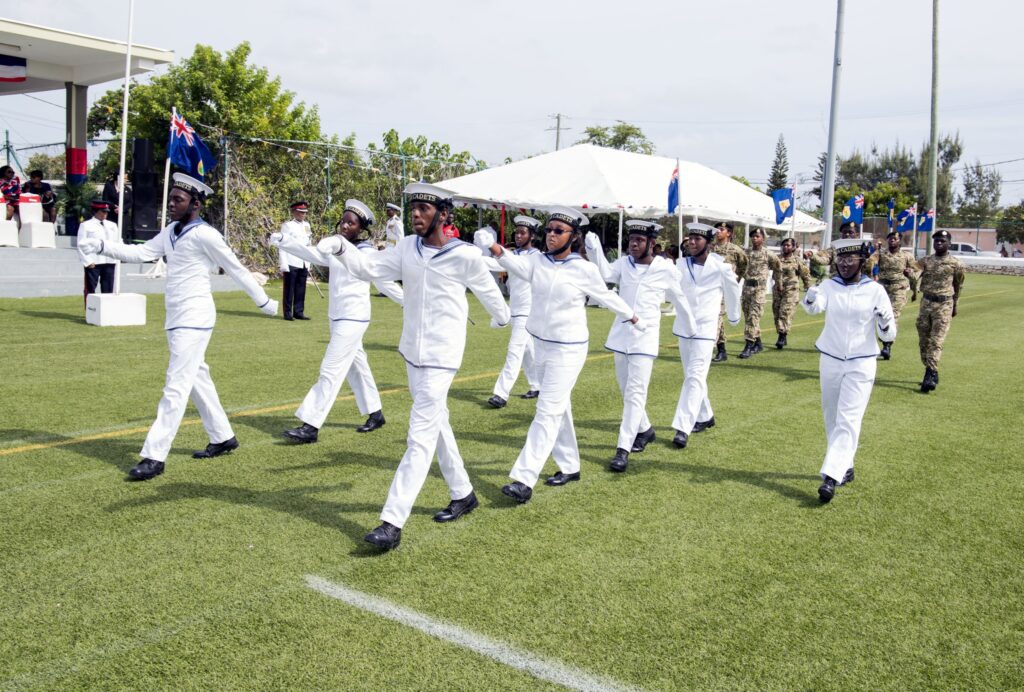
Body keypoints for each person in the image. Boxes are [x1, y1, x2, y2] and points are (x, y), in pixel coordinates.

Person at [317, 183, 510, 551]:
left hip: (443, 358)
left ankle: (391, 522)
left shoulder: (465, 256)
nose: (416, 215)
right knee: (437, 424)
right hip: (412, 353)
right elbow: (367, 268)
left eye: (424, 208)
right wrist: (341, 247)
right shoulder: (406, 247)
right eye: (413, 209)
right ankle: (464, 493)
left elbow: (490, 293)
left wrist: (501, 319)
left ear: (444, 215)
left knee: (419, 437)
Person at [76, 173, 278, 481]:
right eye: (170, 199)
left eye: (177, 200)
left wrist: (265, 302)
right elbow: (142, 253)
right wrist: (104, 245)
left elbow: (235, 268)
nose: (170, 204)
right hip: (176, 318)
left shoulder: (205, 234)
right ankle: (223, 436)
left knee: (175, 388)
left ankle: (154, 455)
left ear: (195, 204)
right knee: (197, 378)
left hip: (195, 318)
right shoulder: (171, 230)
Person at [476, 207, 641, 503]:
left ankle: (524, 479)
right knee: (558, 408)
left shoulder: (584, 269)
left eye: (558, 231)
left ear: (572, 236)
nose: (551, 236)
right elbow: (514, 264)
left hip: (568, 349)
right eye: (549, 230)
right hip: (541, 344)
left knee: (547, 411)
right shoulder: (538, 261)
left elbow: (606, 296)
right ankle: (570, 466)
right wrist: (492, 245)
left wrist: (632, 317)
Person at [271, 199, 403, 443]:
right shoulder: (338, 246)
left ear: (360, 228)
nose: (344, 226)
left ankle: (310, 425)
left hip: (353, 318)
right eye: (343, 221)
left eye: (350, 223)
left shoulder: (364, 252)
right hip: (337, 316)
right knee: (357, 367)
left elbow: (382, 280)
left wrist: (407, 300)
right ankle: (375, 413)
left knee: (330, 370)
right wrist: (284, 241)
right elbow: (314, 254)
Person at [585, 220, 695, 472]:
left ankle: (623, 448)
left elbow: (679, 298)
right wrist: (594, 250)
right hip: (621, 336)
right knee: (626, 391)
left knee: (635, 393)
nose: (633, 244)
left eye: (639, 241)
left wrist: (690, 329)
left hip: (645, 338)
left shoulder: (664, 269)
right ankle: (645, 430)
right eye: (631, 240)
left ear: (652, 244)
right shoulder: (624, 264)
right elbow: (604, 275)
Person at [801, 239, 895, 503]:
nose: (843, 263)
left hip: (861, 362)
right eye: (840, 259)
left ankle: (831, 476)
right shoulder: (830, 286)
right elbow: (813, 308)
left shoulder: (875, 291)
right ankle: (845, 465)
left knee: (848, 418)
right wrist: (811, 294)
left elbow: (889, 334)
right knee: (831, 416)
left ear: (862, 261)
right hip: (830, 359)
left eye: (850, 259)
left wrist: (885, 322)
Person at [670, 223, 741, 449]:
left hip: (705, 329)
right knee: (692, 376)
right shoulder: (680, 264)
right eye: (690, 238)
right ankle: (705, 415)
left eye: (697, 239)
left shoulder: (720, 267)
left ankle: (683, 426)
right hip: (684, 327)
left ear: (708, 243)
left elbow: (732, 291)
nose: (691, 242)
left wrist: (733, 316)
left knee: (694, 376)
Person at [482, 215, 542, 408]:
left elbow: (510, 264)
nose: (518, 235)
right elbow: (498, 263)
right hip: (515, 310)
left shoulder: (536, 257)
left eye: (522, 232)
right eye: (516, 232)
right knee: (527, 351)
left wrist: (497, 250)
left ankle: (501, 393)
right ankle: (536, 385)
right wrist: (472, 257)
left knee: (514, 351)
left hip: (528, 311)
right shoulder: (513, 254)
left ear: (531, 235)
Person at [915, 230, 965, 393]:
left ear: (949, 243)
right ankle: (933, 370)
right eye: (936, 240)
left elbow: (958, 285)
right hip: (926, 303)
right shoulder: (926, 260)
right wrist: (910, 274)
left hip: (944, 305)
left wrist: (955, 305)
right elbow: (915, 272)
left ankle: (929, 375)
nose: (939, 243)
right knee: (924, 342)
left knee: (936, 341)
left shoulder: (956, 263)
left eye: (942, 241)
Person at [868, 230, 919, 360]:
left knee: (893, 316)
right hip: (883, 288)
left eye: (895, 239)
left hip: (899, 289)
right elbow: (870, 263)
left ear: (899, 241)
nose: (892, 240)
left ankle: (887, 345)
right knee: (880, 315)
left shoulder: (907, 256)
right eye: (890, 238)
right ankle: (882, 342)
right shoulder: (880, 254)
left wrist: (914, 290)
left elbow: (915, 273)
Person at [738, 228, 780, 358]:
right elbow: (740, 268)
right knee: (748, 317)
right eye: (753, 236)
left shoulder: (769, 254)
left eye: (757, 236)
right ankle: (758, 343)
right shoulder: (746, 253)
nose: (754, 238)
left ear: (763, 238)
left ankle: (748, 345)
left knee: (753, 317)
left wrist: (779, 283)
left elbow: (778, 268)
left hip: (759, 290)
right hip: (746, 289)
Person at [710, 221, 747, 362]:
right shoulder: (710, 249)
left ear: (729, 233)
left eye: (721, 229)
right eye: (717, 229)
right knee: (717, 317)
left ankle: (710, 347)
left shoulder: (735, 250)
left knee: (717, 316)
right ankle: (722, 350)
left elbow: (744, 265)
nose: (718, 231)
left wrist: (735, 282)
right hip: (712, 288)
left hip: (725, 290)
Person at [771, 237, 811, 349]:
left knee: (785, 312)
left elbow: (805, 275)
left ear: (793, 247)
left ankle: (781, 336)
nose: (785, 247)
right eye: (784, 245)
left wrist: (808, 288)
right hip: (778, 290)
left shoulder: (797, 260)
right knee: (777, 312)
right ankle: (783, 334)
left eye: (788, 245)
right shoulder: (777, 259)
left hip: (791, 290)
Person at [76, 201, 121, 301]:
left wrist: (119, 257)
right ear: (96, 212)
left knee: (108, 290)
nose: (105, 214)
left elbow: (118, 242)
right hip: (94, 261)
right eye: (103, 212)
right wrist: (87, 262)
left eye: (106, 212)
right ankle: (90, 312)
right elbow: (80, 245)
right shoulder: (86, 225)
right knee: (90, 289)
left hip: (109, 261)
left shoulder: (112, 225)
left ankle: (106, 312)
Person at [278, 201, 312, 321]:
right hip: (291, 260)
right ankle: (287, 313)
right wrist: (283, 263)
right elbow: (282, 245)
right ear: (294, 212)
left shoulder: (307, 225)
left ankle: (299, 311)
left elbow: (308, 244)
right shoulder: (288, 226)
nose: (303, 214)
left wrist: (310, 260)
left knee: (301, 288)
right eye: (301, 212)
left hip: (303, 261)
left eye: (304, 212)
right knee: (289, 289)